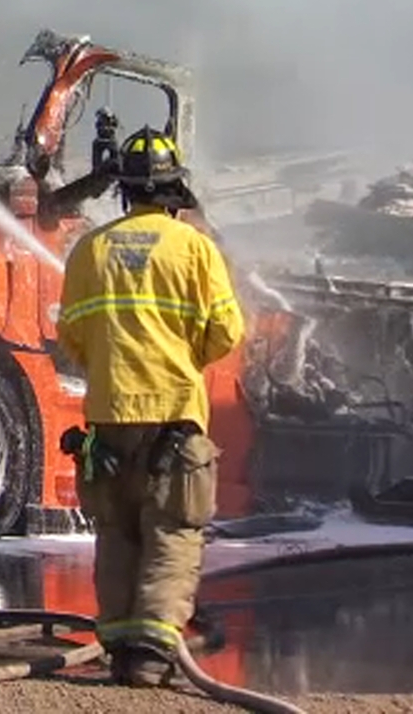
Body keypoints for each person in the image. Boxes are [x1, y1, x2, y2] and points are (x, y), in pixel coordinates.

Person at [55, 126, 245, 688]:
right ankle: (152, 658)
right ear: (172, 190)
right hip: (175, 419)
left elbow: (72, 337)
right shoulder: (195, 249)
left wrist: (112, 369)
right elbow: (226, 332)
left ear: (124, 190)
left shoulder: (90, 249)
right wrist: (185, 357)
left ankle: (119, 649)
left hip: (110, 417)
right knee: (173, 533)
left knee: (116, 532)